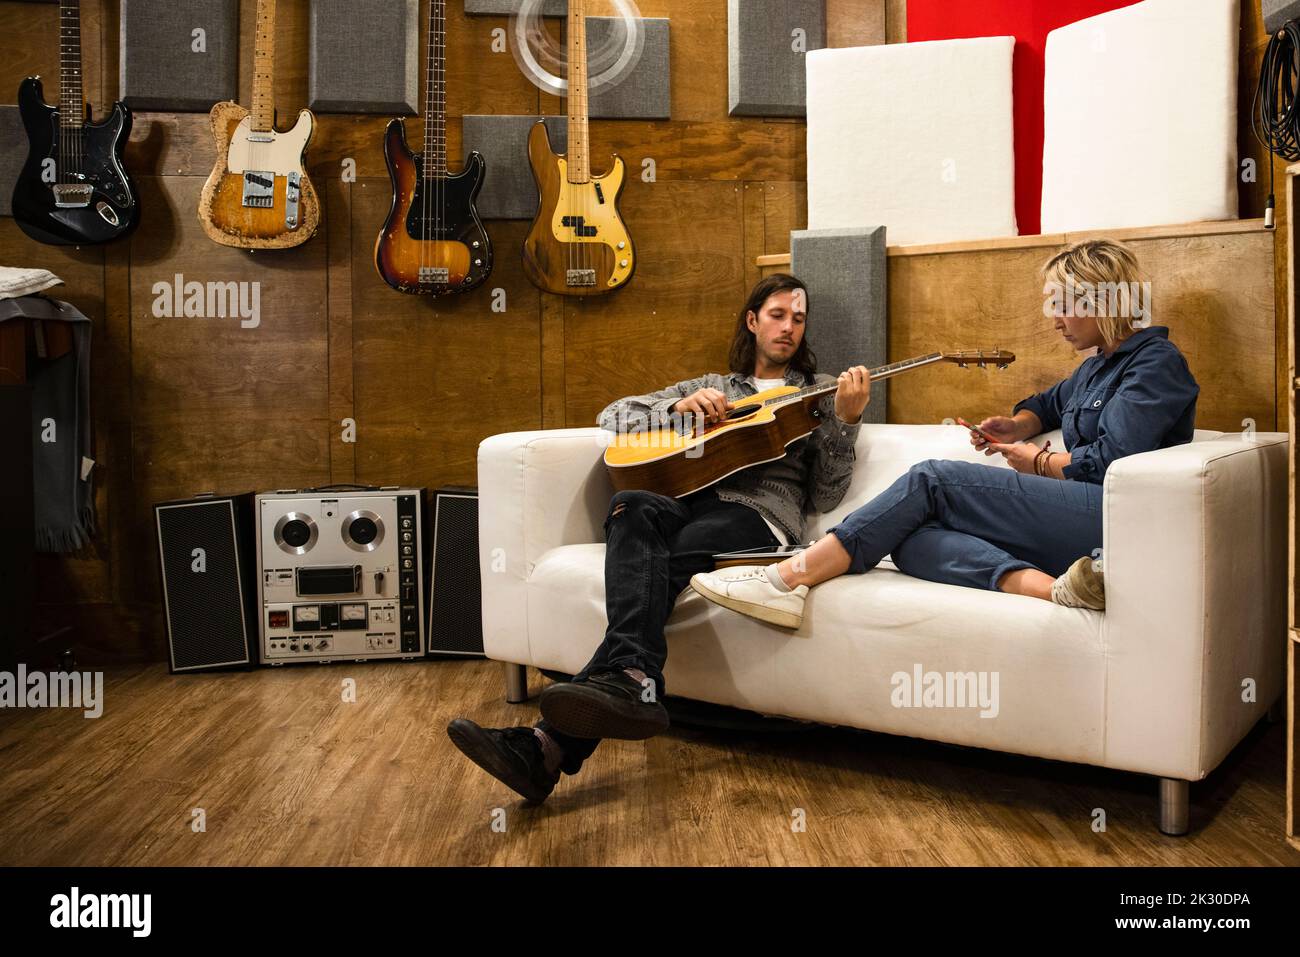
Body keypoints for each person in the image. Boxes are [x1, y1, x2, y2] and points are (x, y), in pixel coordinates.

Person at [446, 273, 871, 803]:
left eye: (799, 319)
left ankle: (544, 745)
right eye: (778, 315)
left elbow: (828, 496)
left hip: (758, 513)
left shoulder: (820, 393)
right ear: (753, 321)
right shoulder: (712, 383)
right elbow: (612, 415)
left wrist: (846, 423)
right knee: (631, 505)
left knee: (664, 561)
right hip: (686, 501)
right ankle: (623, 681)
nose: (789, 327)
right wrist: (675, 409)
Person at [690, 239, 1199, 626]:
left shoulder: (1155, 363)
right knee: (911, 542)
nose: (1055, 320)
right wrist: (1017, 425)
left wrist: (1039, 461)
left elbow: (1116, 461)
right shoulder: (1094, 368)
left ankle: (789, 578)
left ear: (1100, 301)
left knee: (933, 479)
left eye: (1063, 305)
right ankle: (1061, 590)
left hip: (1113, 517)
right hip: (1075, 520)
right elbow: (1047, 404)